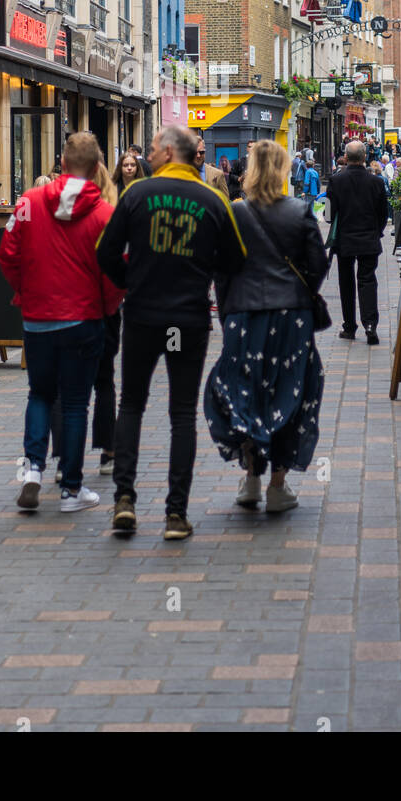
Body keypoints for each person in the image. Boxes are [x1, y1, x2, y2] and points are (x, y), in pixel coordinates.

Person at [96, 124, 246, 540]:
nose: (148, 155)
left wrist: (131, 280)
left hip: (144, 316)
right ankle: (175, 514)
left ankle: (124, 499)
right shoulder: (212, 199)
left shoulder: (136, 196)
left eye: (153, 149)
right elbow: (235, 260)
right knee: (181, 413)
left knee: (131, 405)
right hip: (186, 320)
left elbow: (105, 252)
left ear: (165, 151)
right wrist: (202, 277)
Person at [0, 132, 124, 513]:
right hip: (84, 319)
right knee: (75, 404)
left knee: (39, 394)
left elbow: (7, 254)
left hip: (37, 319)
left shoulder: (28, 202)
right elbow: (116, 271)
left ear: (63, 164)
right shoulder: (105, 213)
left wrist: (26, 290)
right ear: (98, 167)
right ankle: (72, 489)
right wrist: (106, 307)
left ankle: (34, 469)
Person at [205, 141, 328, 513]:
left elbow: (221, 269)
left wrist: (227, 313)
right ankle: (278, 485)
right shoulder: (299, 211)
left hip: (244, 317)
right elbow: (318, 265)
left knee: (245, 393)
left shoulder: (235, 213)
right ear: (283, 170)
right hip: (291, 317)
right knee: (290, 393)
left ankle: (252, 481)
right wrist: (299, 292)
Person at [326, 140, 388, 344]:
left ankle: (349, 327)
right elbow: (383, 214)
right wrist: (376, 231)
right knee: (367, 280)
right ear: (364, 157)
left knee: (346, 283)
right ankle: (370, 325)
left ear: (345, 157)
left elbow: (328, 215)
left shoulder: (335, 181)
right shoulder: (376, 182)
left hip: (344, 240)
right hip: (369, 239)